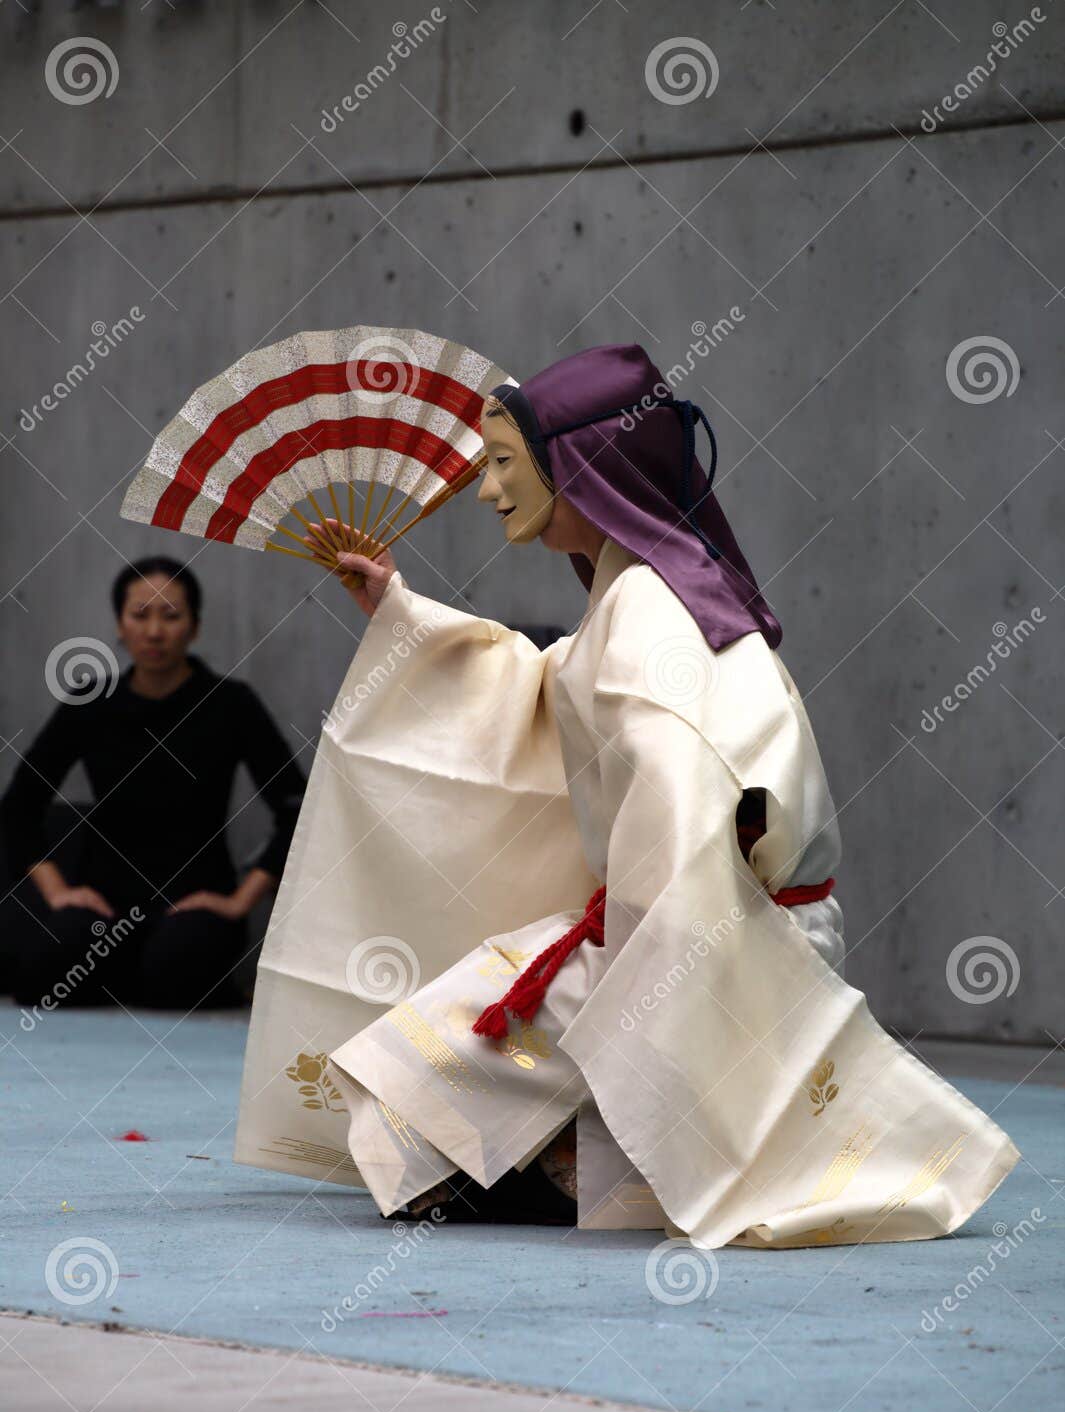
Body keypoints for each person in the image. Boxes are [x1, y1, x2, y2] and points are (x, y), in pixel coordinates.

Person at [234, 344, 1018, 1248]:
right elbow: (544, 690)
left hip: (715, 939)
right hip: (673, 924)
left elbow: (679, 800)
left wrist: (645, 977)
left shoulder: (652, 607)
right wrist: (402, 615)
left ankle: (593, 1154)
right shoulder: (642, 593)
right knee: (413, 1093)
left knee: (409, 1097)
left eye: (501, 463)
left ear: (583, 466)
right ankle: (589, 1154)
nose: (486, 491)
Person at [0, 557, 305, 1013]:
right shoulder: (91, 702)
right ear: (120, 626)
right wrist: (59, 894)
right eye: (140, 615)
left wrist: (241, 901)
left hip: (194, 905)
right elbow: (19, 805)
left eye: (171, 615)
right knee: (47, 974)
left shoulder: (230, 704)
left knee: (175, 970)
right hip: (104, 907)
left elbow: (297, 806)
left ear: (195, 627)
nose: (155, 631)